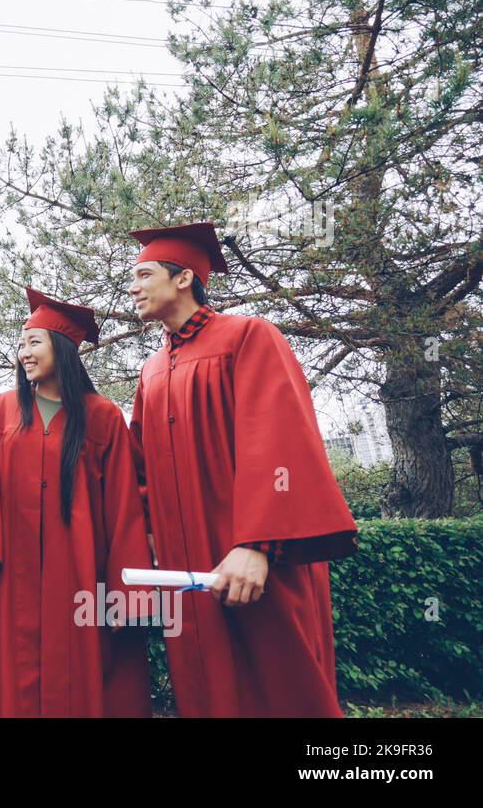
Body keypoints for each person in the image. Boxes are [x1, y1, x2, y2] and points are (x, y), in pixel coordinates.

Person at [127, 221, 358, 717]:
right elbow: (139, 469)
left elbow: (280, 441)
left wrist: (257, 543)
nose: (133, 287)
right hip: (189, 572)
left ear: (184, 278)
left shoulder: (248, 337)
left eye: (144, 274)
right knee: (206, 689)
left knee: (280, 685)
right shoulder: (150, 371)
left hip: (255, 560)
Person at [0, 288, 152, 717]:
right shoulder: (4, 408)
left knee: (79, 666)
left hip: (79, 569)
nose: (23, 352)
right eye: (20, 344)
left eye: (33, 342)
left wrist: (126, 592)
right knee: (15, 672)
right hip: (15, 568)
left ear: (63, 348)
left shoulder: (102, 415)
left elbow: (124, 507)